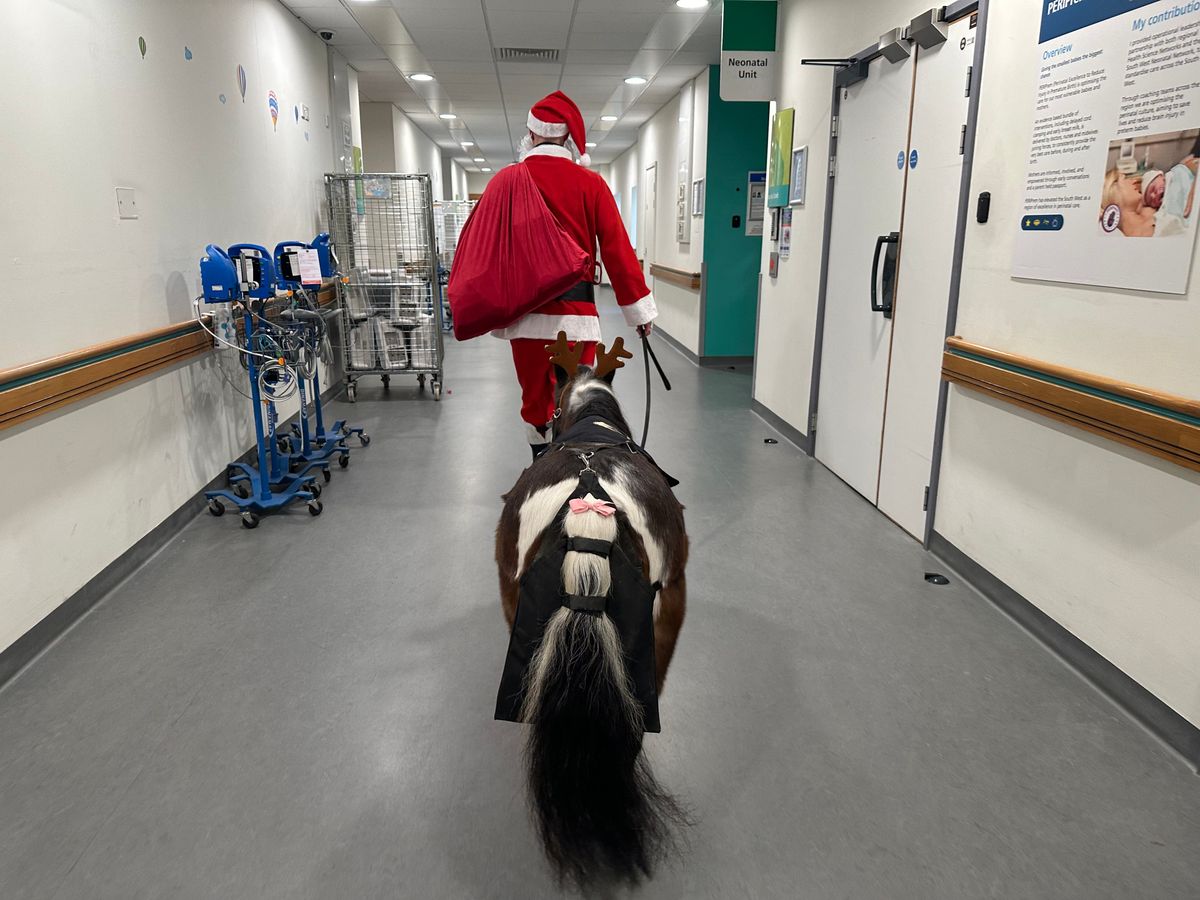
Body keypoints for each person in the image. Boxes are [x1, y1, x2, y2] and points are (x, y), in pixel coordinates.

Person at [484, 90, 657, 459]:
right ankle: (578, 466)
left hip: (525, 317)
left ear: (530, 135)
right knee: (576, 394)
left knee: (535, 401)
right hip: (576, 317)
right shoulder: (590, 184)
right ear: (567, 139)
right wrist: (639, 315)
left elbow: (488, 247)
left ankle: (540, 465)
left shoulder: (508, 181)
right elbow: (617, 250)